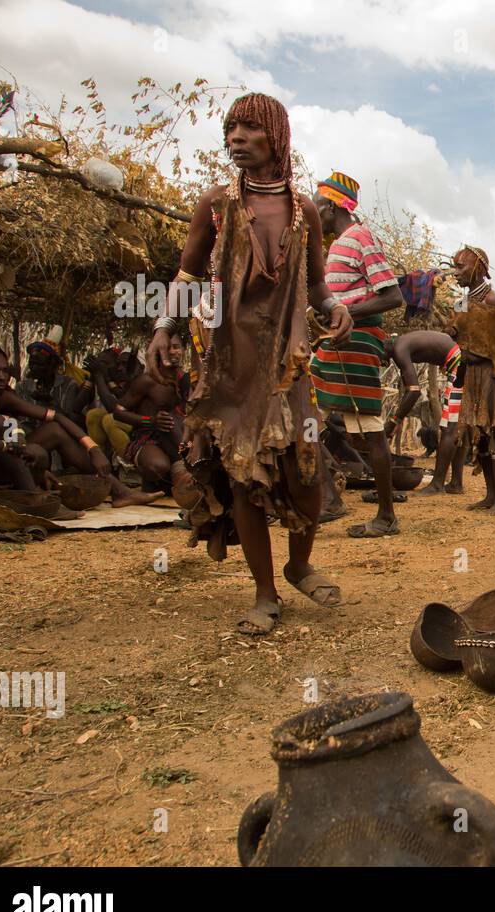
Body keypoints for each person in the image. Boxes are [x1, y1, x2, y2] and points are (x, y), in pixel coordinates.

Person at [144, 92, 353, 635]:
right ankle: (264, 593)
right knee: (243, 475)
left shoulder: (304, 209)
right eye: (231, 127)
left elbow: (314, 284)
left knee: (307, 469)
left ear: (276, 137)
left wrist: (334, 308)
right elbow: (187, 279)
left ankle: (300, 562)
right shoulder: (215, 204)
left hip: (288, 362)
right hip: (231, 361)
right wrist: (165, 327)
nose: (236, 136)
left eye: (249, 128)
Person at [307, 170, 407, 538]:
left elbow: (392, 295)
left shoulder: (359, 237)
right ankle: (330, 496)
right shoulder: (337, 245)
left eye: (316, 206)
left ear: (332, 207)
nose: (311, 214)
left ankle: (385, 517)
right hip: (338, 341)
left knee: (368, 428)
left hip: (355, 342)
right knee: (304, 411)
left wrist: (342, 312)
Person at [0, 346, 162, 507]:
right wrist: (10, 445)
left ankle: (119, 491)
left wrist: (92, 449)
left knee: (54, 432)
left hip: (0, 460)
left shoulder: (2, 395)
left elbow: (57, 417)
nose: (1, 377)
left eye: (5, 371)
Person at [446, 245, 495, 514]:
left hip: (494, 376)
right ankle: (489, 496)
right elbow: (457, 338)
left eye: (461, 267)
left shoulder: (492, 301)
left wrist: (481, 358)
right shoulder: (461, 304)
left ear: (479, 268)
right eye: (454, 266)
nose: (455, 272)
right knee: (479, 436)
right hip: (472, 376)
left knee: (494, 435)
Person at [115, 332, 192, 493]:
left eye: (177, 347)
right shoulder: (147, 380)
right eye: (167, 347)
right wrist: (150, 421)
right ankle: (153, 478)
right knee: (157, 466)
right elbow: (118, 412)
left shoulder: (186, 380)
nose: (172, 351)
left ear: (184, 350)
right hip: (148, 439)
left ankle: (178, 477)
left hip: (179, 438)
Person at [387, 332, 463, 479]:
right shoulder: (402, 343)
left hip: (457, 360)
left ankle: (438, 484)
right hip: (457, 359)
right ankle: (455, 482)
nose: (382, 363)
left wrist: (393, 421)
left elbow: (413, 391)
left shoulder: (399, 348)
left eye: (378, 358)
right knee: (456, 427)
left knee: (449, 428)